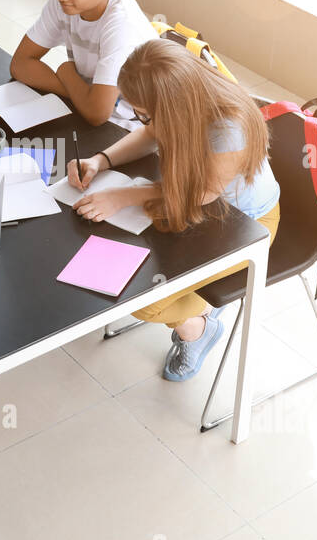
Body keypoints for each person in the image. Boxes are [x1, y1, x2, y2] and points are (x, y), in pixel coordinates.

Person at [67, 40, 282, 381]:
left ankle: (198, 328)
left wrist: (124, 195)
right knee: (122, 274)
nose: (139, 117)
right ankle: (198, 300)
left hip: (242, 224)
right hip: (198, 208)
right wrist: (101, 160)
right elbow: (151, 133)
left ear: (170, 103)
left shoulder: (228, 128)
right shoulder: (184, 98)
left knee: (144, 302)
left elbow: (201, 194)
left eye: (142, 111)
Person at [10, 0, 153, 128]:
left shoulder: (122, 25)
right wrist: (81, 93)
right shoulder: (64, 2)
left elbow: (97, 114)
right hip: (86, 107)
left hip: (131, 125)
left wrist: (66, 71)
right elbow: (20, 64)